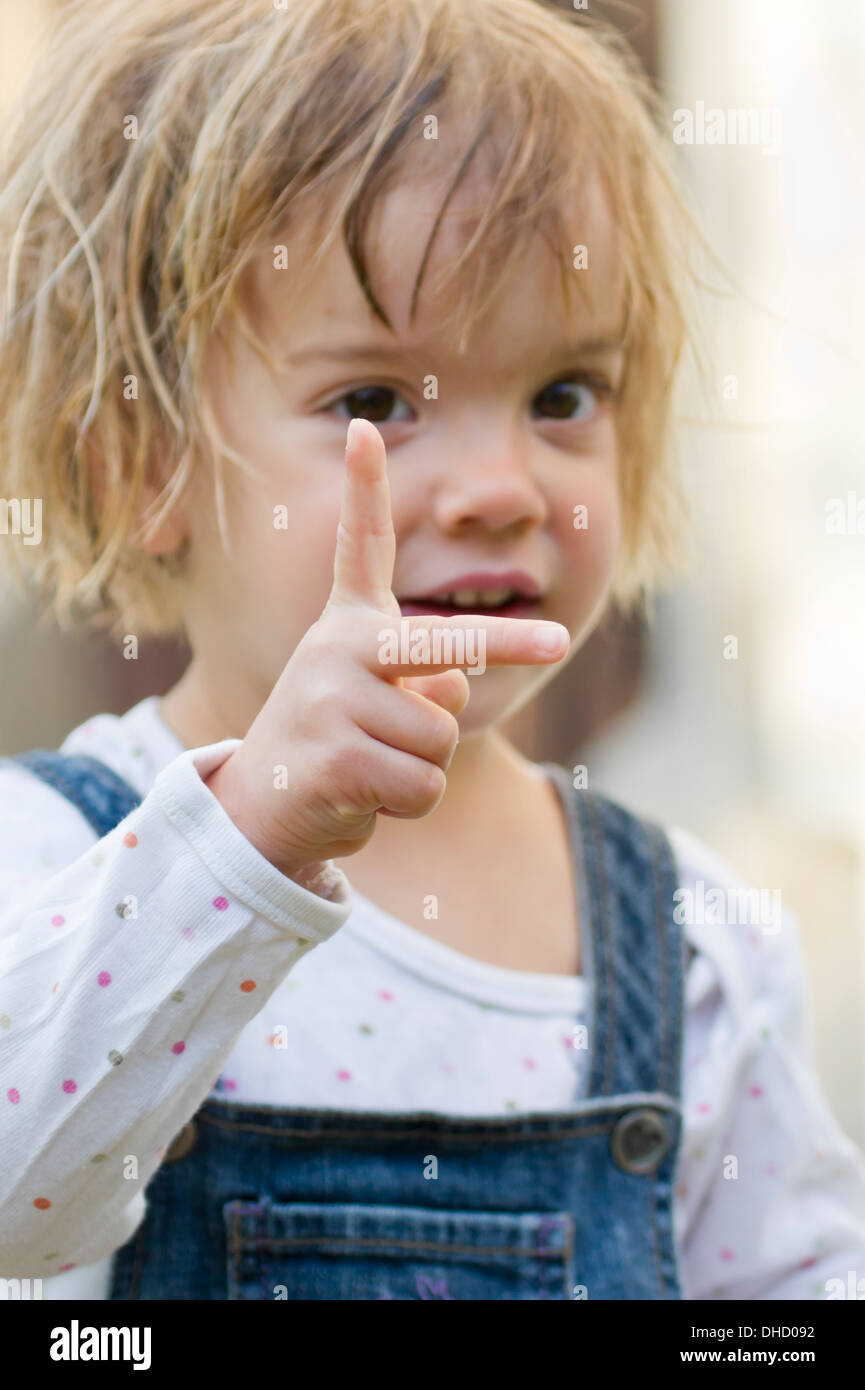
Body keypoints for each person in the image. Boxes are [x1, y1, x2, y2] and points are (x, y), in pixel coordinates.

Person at [1, 0, 863, 1301]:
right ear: (142, 463)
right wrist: (248, 839)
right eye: (374, 402)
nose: (501, 484)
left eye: (563, 393)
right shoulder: (60, 854)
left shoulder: (686, 936)